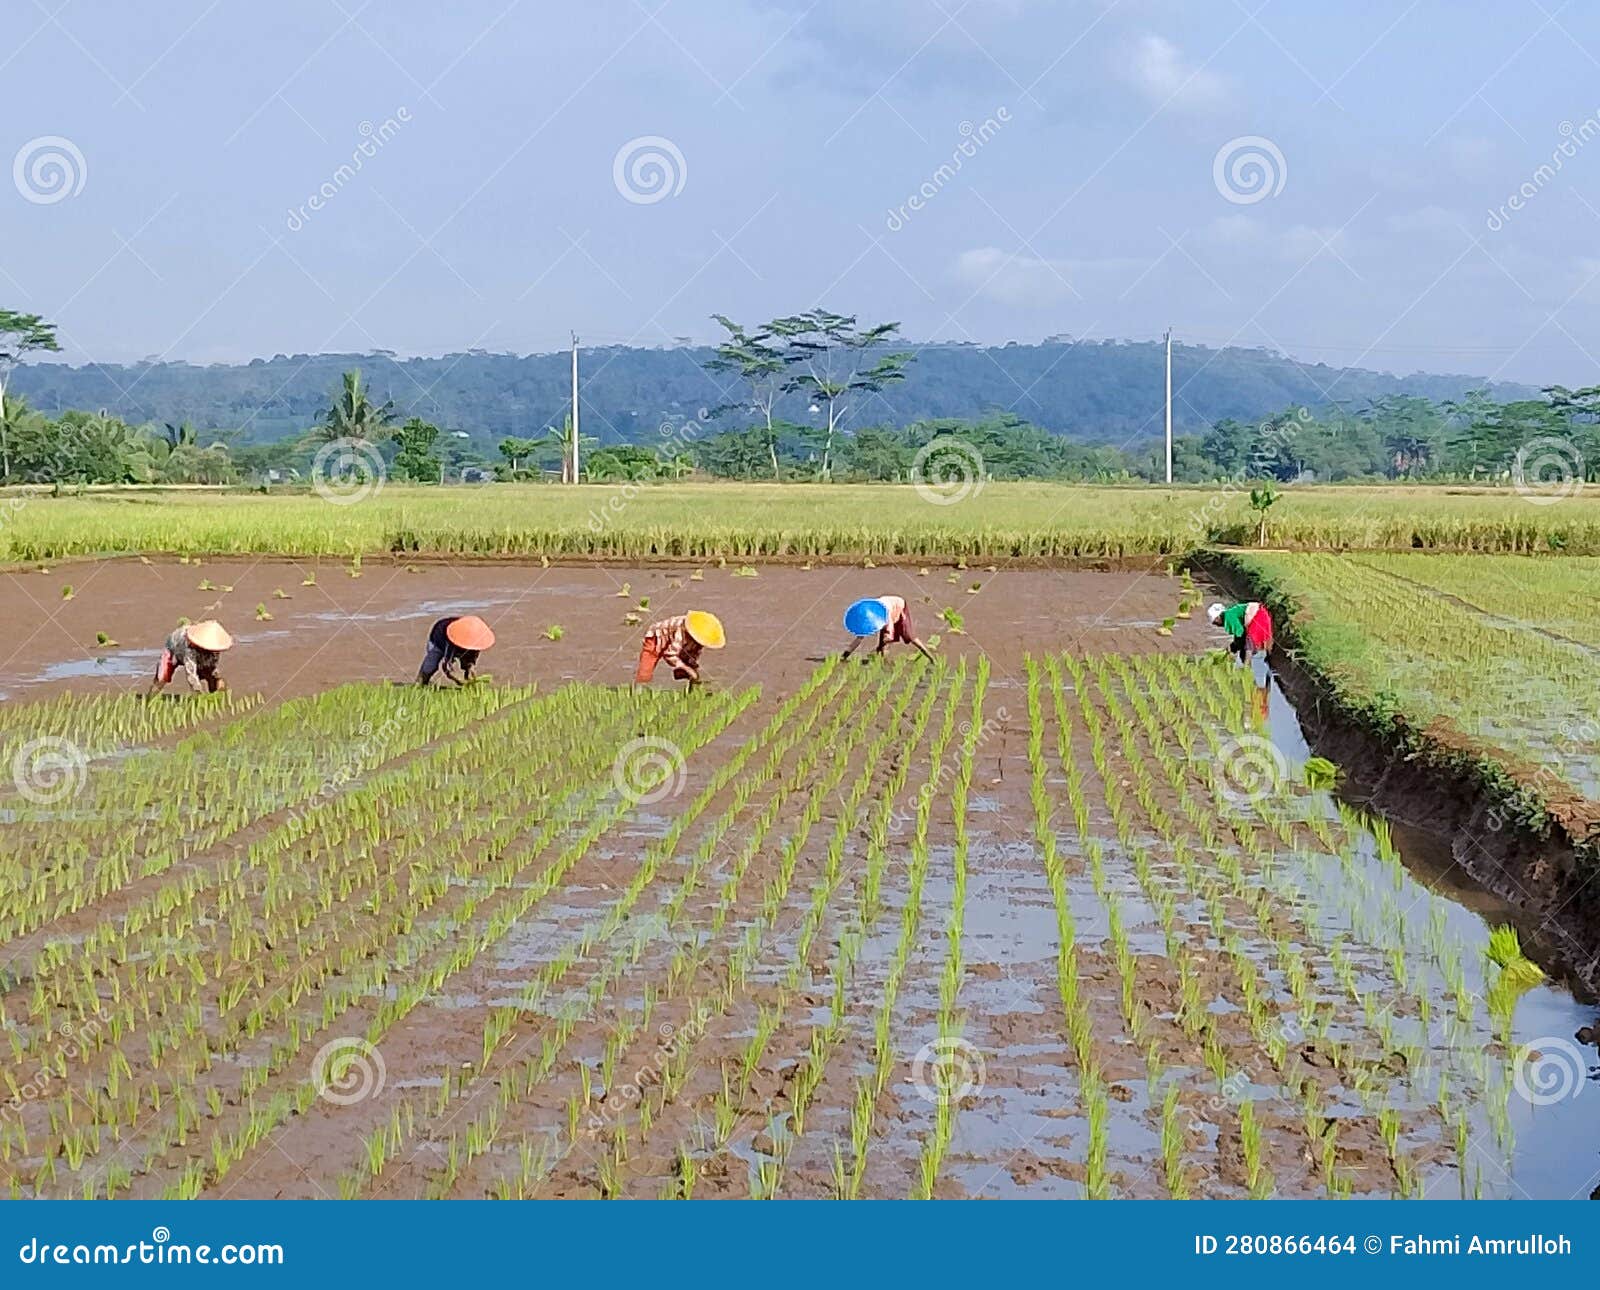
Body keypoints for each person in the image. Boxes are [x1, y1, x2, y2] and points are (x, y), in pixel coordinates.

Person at [636, 610, 724, 688]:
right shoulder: (681, 632)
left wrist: (692, 667)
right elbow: (670, 654)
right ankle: (639, 690)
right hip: (655, 637)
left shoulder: (697, 641)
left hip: (673, 640)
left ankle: (690, 689)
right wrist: (685, 667)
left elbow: (694, 654)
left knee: (691, 668)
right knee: (646, 668)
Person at [840, 595, 934, 662]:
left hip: (899, 606)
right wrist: (845, 655)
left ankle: (931, 658)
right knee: (882, 644)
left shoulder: (885, 616)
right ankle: (883, 663)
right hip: (886, 605)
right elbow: (859, 639)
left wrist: (879, 647)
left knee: (909, 636)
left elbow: (889, 635)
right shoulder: (867, 615)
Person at [150, 620, 233, 694]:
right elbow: (191, 675)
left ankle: (217, 698)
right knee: (161, 678)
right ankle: (149, 700)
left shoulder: (214, 649)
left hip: (195, 655)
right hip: (173, 649)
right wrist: (199, 694)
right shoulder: (190, 648)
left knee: (214, 678)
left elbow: (212, 668)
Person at [416, 614, 495, 686]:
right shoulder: (451, 641)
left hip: (461, 641)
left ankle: (469, 681)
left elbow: (472, 658)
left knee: (467, 663)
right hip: (438, 641)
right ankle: (421, 683)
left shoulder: (476, 640)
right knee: (430, 666)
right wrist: (457, 679)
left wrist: (470, 669)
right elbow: (447, 667)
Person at [1208, 600, 1274, 661]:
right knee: (1264, 642)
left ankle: (1246, 669)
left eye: (1215, 623)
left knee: (1248, 648)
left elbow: (1240, 634)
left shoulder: (1228, 617)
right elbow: (1239, 634)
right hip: (1263, 614)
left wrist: (1232, 648)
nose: (1216, 625)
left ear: (1218, 618)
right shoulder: (1230, 613)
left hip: (1257, 618)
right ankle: (1270, 662)